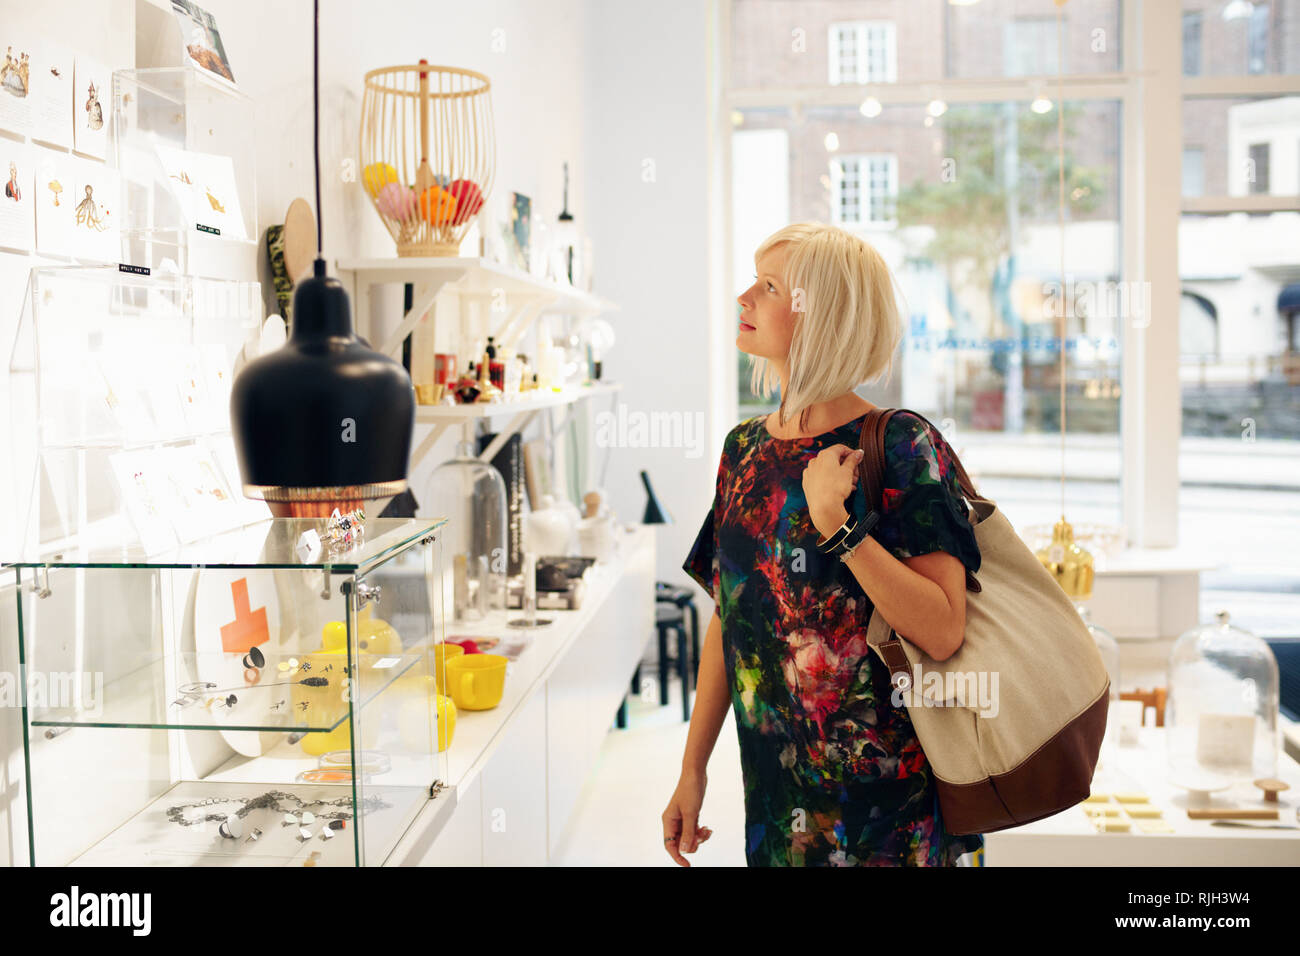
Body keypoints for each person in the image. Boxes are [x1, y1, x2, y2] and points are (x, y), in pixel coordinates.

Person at [663, 221, 984, 867]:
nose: (743, 297)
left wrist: (839, 527)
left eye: (769, 286)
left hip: (892, 814)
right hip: (779, 803)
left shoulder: (900, 445)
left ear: (822, 314)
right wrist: (691, 769)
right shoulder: (743, 450)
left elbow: (944, 630)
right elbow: (731, 616)